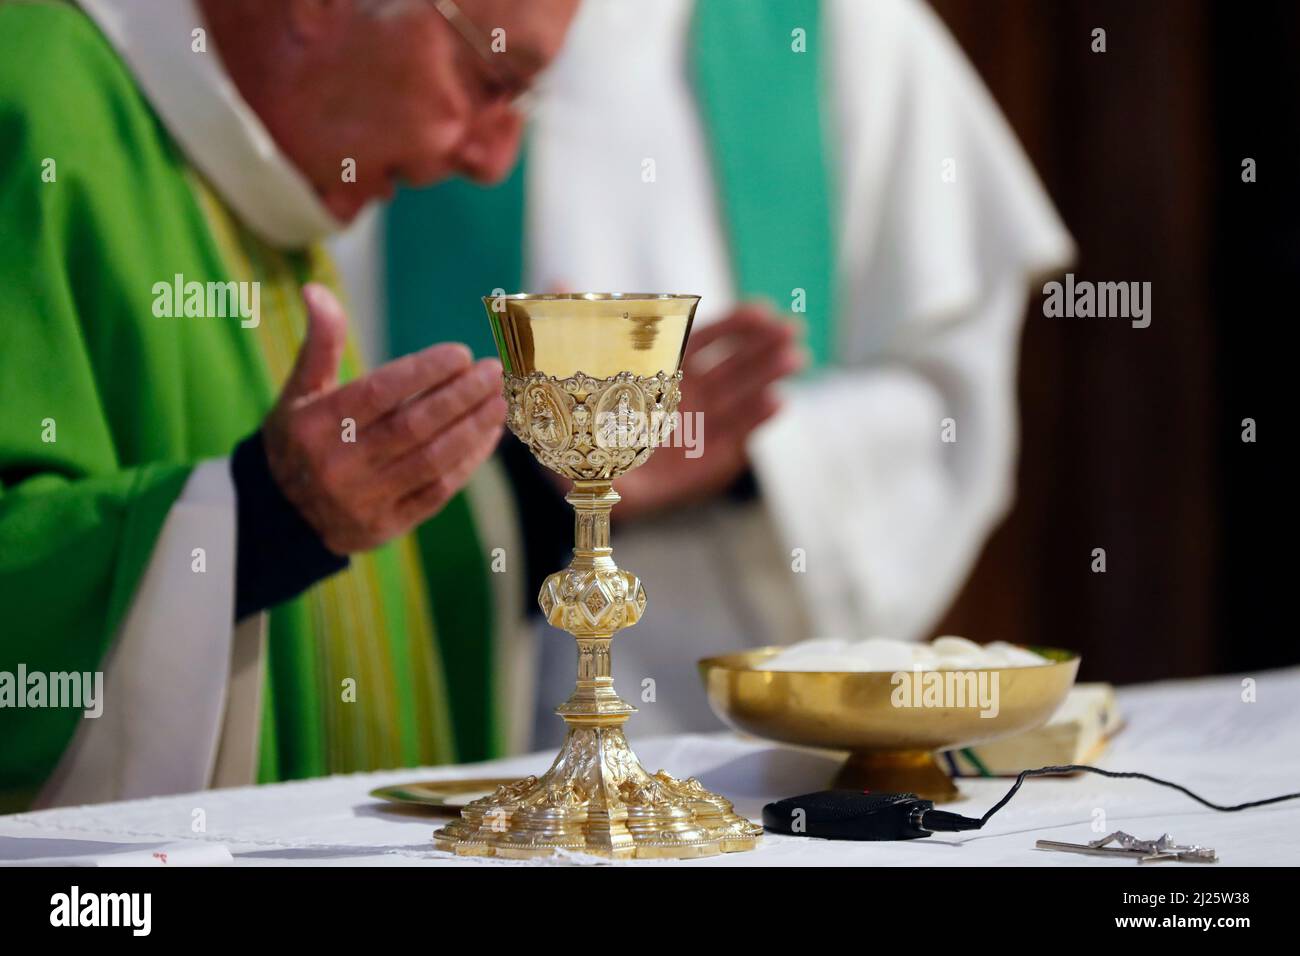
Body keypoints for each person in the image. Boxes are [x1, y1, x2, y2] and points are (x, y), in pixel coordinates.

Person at [375, 0, 1076, 745]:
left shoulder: (845, 25)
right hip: (485, 689)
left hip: (751, 704)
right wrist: (531, 484)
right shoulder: (408, 25)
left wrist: (762, 452)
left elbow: (951, 389)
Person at [0, 0, 580, 810]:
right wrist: (259, 520)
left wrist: (539, 488)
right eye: (491, 79)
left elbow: (334, 553)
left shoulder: (257, 173)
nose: (494, 160)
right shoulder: (26, 99)